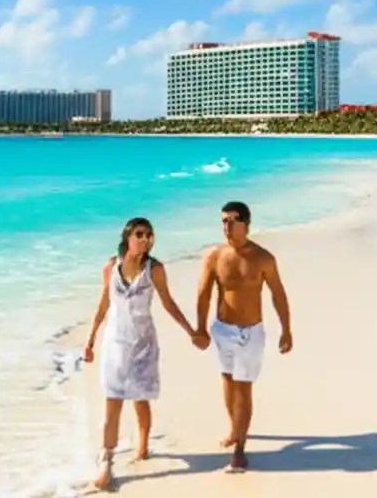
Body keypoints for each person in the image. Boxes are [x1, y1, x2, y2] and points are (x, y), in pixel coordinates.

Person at [82, 217, 204, 490]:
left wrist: (191, 330)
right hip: (115, 344)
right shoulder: (110, 268)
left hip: (143, 345)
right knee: (112, 403)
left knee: (140, 400)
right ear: (127, 236)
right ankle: (107, 460)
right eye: (141, 234)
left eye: (150, 235)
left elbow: (168, 303)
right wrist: (89, 341)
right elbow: (102, 305)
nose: (146, 239)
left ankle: (142, 447)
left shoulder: (155, 269)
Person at [194, 200, 292, 473]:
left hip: (251, 332)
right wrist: (200, 328)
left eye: (231, 221)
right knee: (227, 380)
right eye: (223, 221)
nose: (226, 226)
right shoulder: (214, 256)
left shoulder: (263, 258)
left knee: (244, 386)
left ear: (245, 224)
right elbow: (203, 294)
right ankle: (235, 429)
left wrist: (286, 329)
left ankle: (240, 447)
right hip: (222, 330)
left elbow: (278, 294)